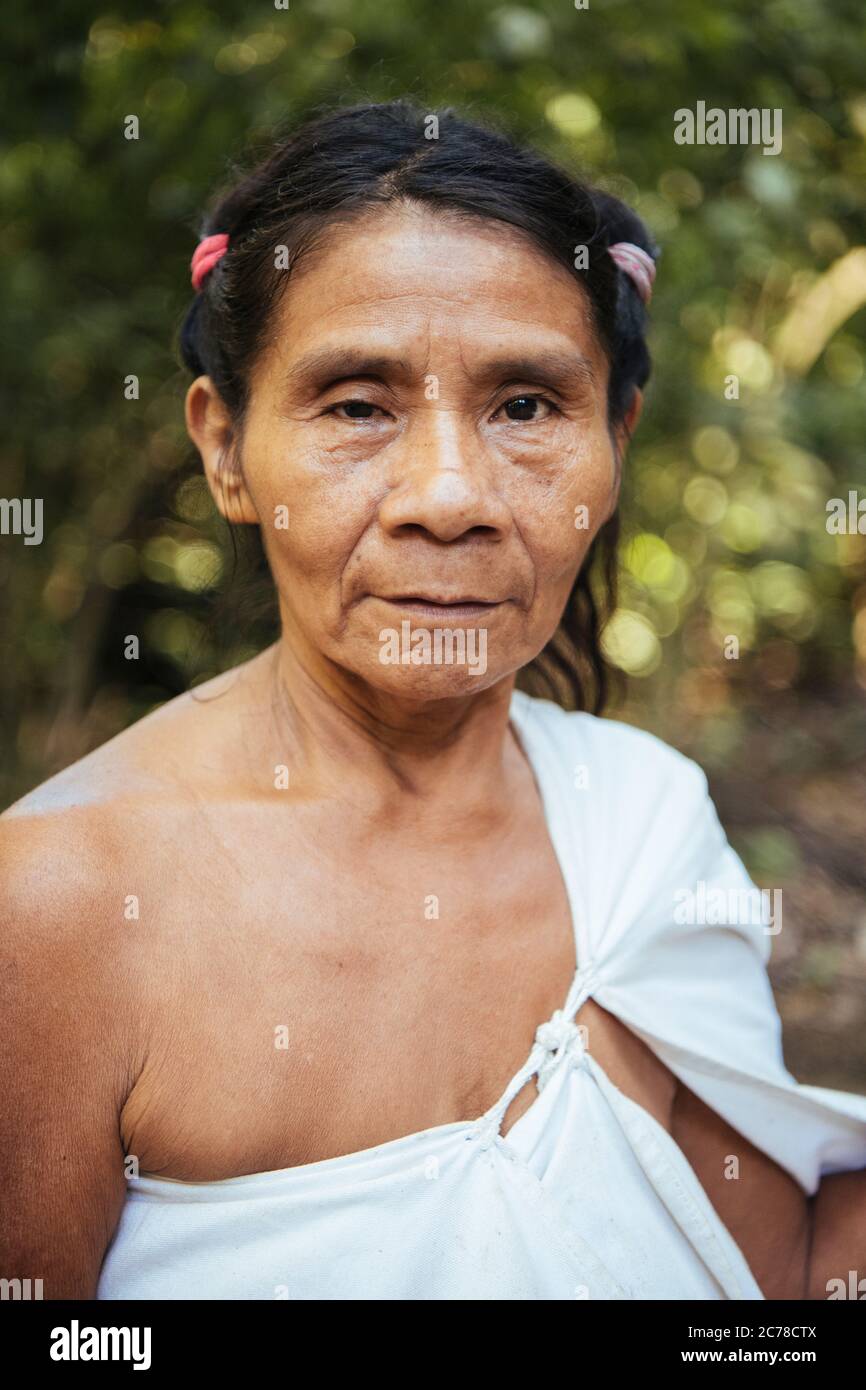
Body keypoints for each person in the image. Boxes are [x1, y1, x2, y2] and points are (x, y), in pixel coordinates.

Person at [2, 100, 864, 1302]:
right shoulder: (56, 912)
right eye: (355, 405)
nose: (448, 495)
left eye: (525, 406)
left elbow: (777, 1276)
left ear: (614, 438)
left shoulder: (641, 823)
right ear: (225, 449)